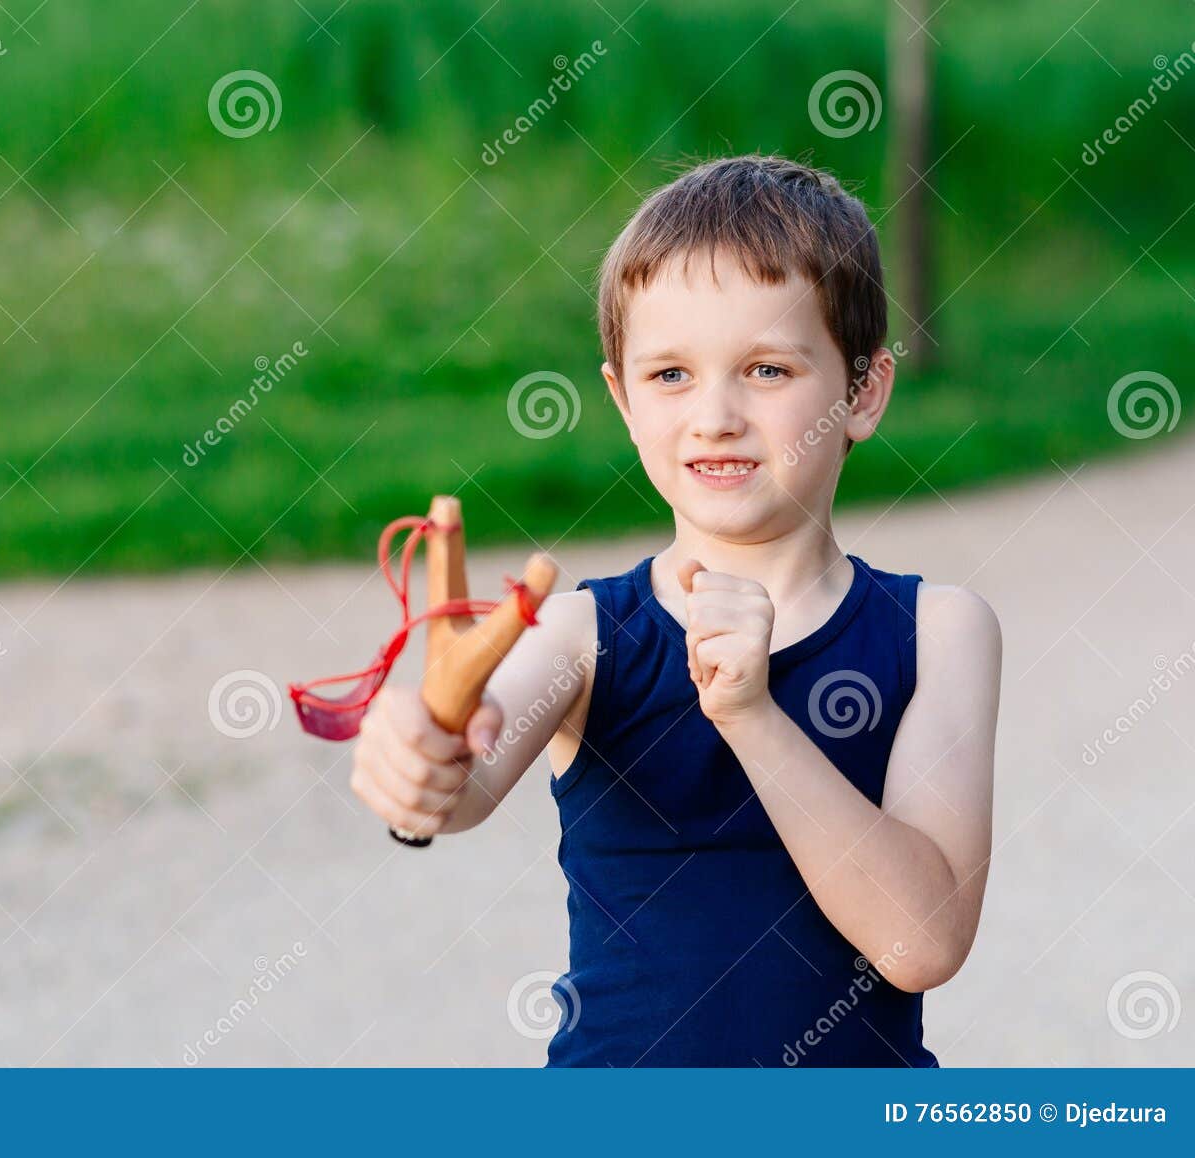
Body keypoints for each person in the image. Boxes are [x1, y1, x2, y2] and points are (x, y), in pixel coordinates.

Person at [348, 154, 1001, 1067]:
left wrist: (752, 718)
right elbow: (462, 777)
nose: (717, 415)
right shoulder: (583, 636)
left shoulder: (939, 631)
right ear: (621, 399)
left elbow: (921, 945)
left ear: (863, 393)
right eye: (670, 376)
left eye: (767, 369)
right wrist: (418, 754)